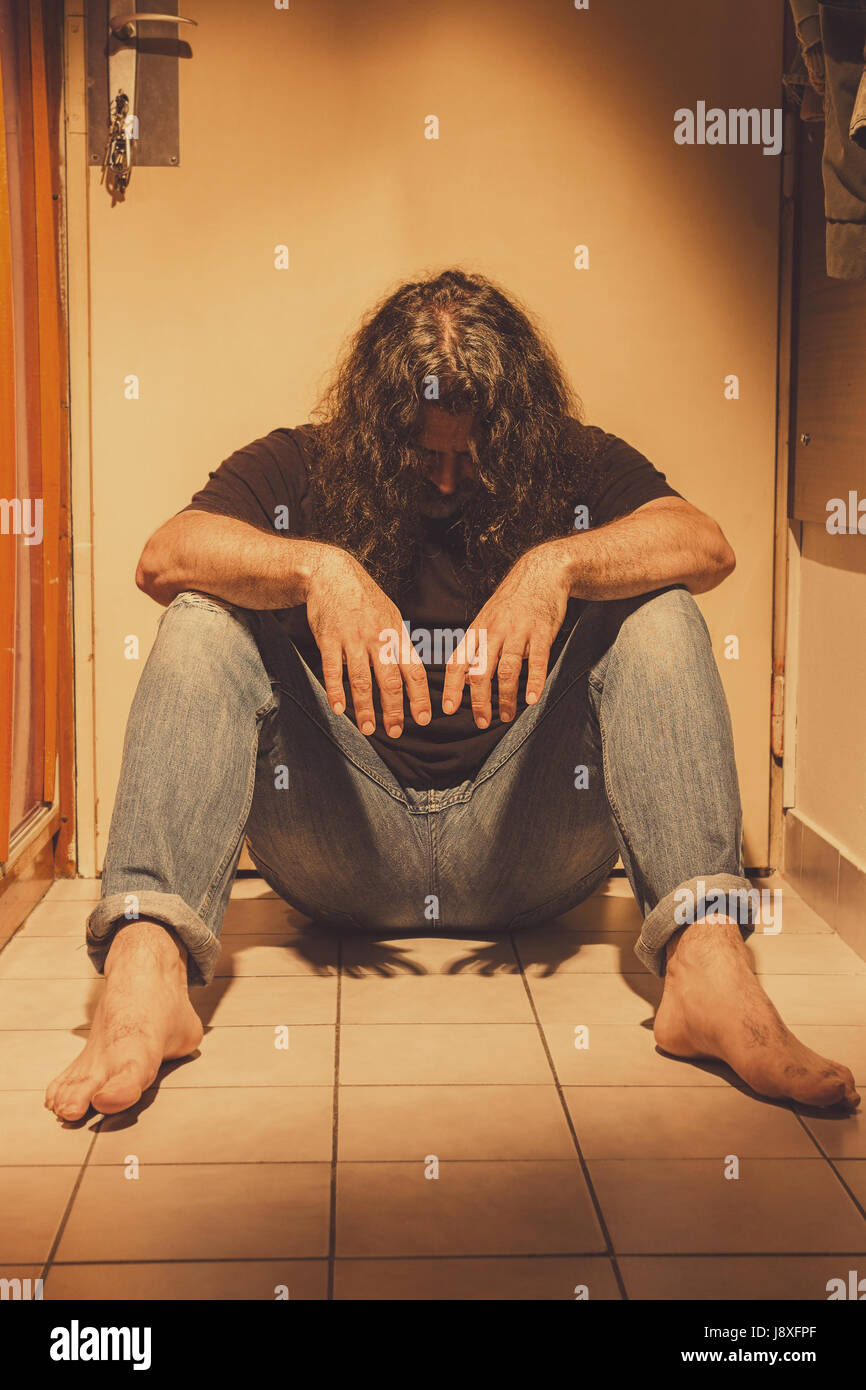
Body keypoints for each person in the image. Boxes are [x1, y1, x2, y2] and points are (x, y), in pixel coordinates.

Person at [45, 268, 859, 1121]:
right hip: (343, 847)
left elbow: (707, 544)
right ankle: (146, 972)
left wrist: (559, 564)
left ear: (516, 432)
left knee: (659, 607)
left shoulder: (574, 466)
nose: (442, 481)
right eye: (420, 453)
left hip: (527, 843)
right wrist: (317, 569)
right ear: (372, 426)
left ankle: (708, 967)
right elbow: (163, 558)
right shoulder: (303, 465)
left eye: (469, 455)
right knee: (202, 617)